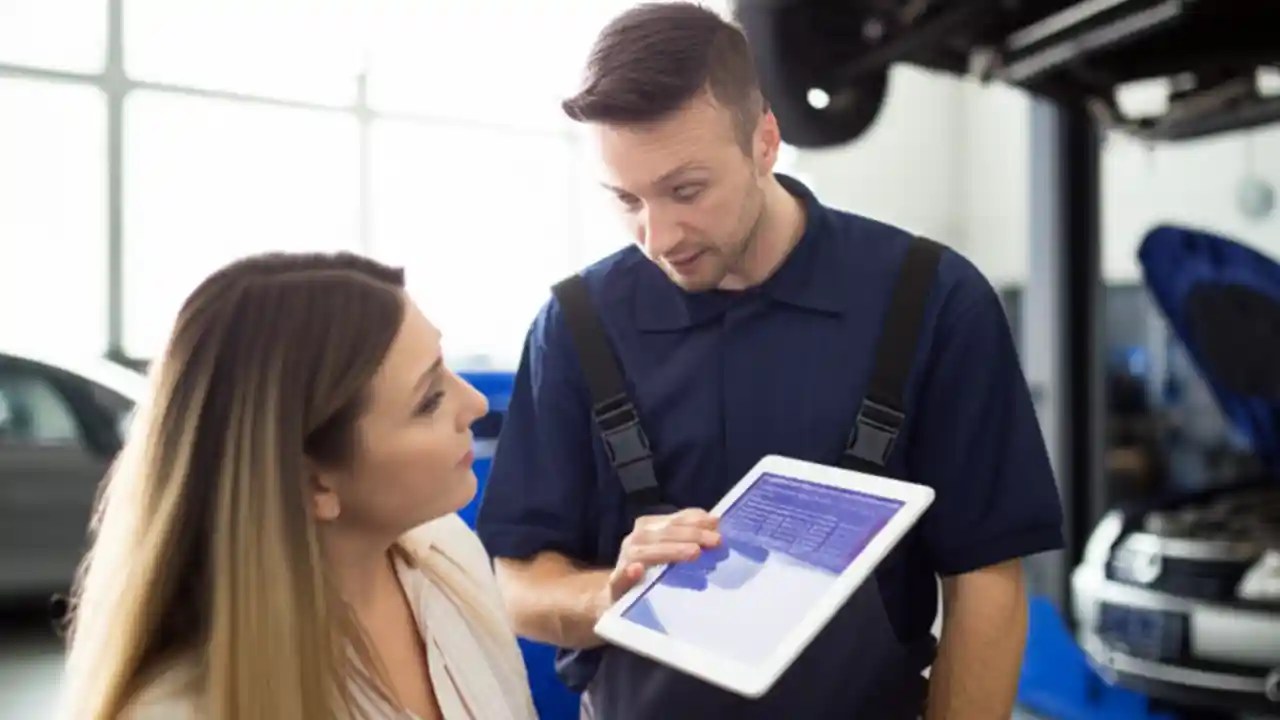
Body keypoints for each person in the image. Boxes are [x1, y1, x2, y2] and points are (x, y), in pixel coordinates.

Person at [475, 3, 1064, 719]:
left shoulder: (933, 301)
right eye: (626, 198)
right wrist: (611, 592)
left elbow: (985, 581)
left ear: (765, 142)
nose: (658, 235)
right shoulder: (574, 326)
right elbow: (520, 585)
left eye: (686, 190)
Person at [58, 253, 537, 720]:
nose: (474, 403)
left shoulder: (450, 555)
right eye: (429, 399)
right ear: (313, 484)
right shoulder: (185, 708)